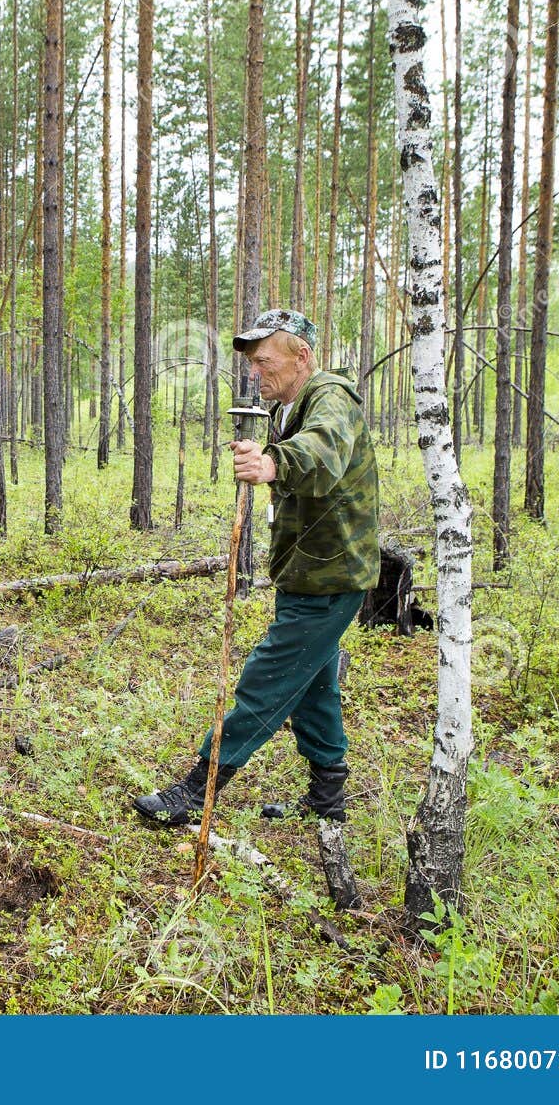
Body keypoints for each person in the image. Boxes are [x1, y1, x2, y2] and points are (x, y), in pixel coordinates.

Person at [131, 308, 380, 830]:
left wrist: (272, 464)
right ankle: (328, 799)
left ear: (301, 356)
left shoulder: (330, 395)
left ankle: (197, 790)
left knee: (267, 678)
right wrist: (270, 455)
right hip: (308, 575)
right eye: (251, 364)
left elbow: (325, 449)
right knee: (312, 685)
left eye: (265, 361)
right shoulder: (290, 408)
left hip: (330, 580)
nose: (255, 373)